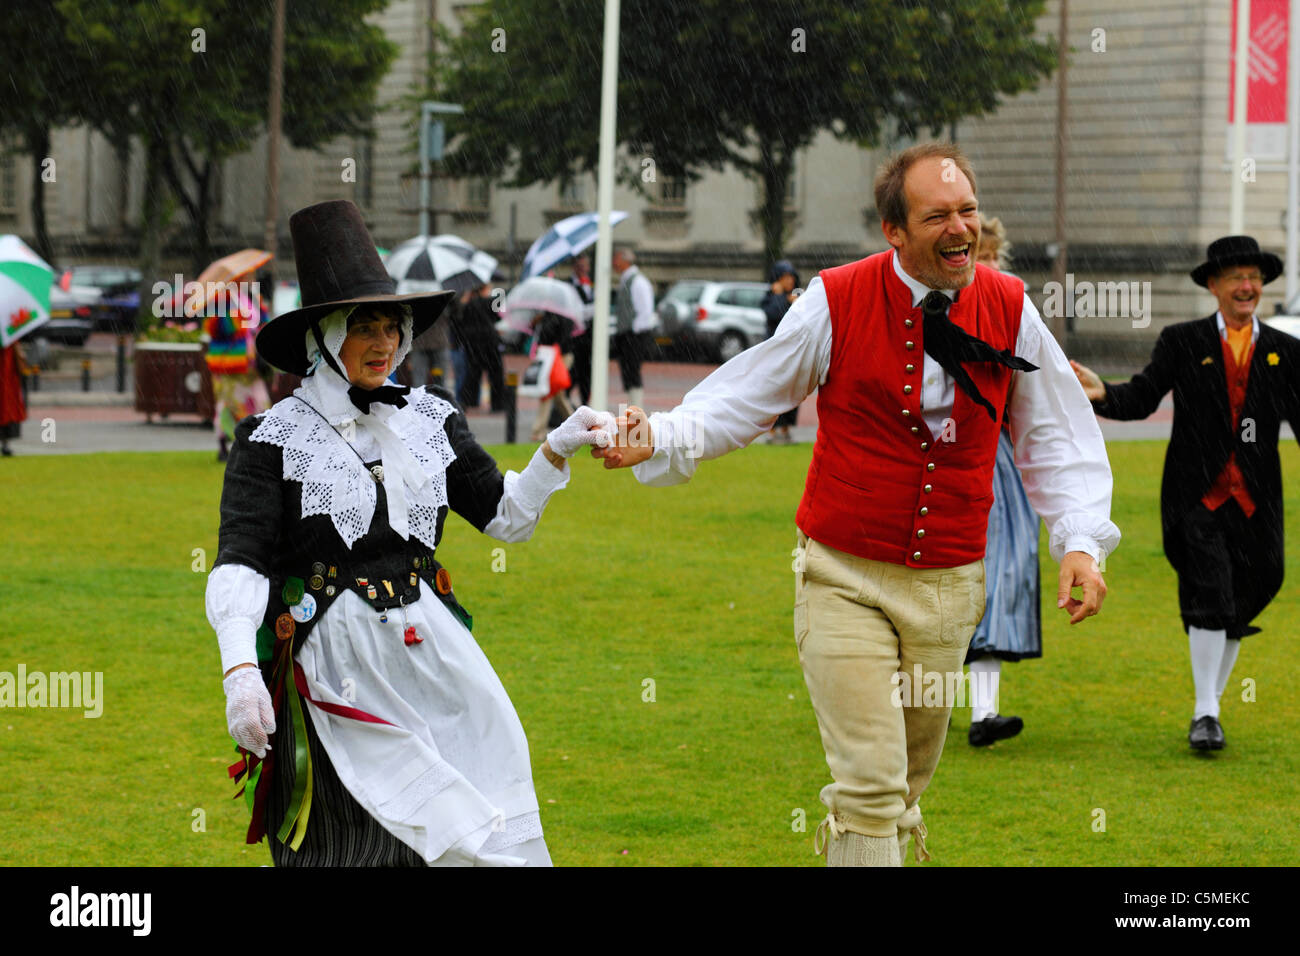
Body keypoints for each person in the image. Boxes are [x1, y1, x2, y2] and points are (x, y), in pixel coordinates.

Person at [595, 143, 1119, 866]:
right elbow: (747, 398)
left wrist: (1081, 543)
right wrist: (658, 435)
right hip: (843, 576)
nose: (960, 227)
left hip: (949, 587)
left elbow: (1057, 434)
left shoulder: (1009, 306)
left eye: (966, 209)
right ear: (893, 231)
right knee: (871, 788)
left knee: (903, 788)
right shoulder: (834, 300)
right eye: (937, 215)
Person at [205, 200, 612, 866]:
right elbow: (240, 563)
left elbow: (505, 517)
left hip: (434, 656)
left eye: (391, 325)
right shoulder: (270, 438)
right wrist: (240, 672)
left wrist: (556, 450)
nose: (384, 343)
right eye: (362, 326)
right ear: (323, 339)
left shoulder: (430, 419)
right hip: (335, 670)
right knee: (355, 843)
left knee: (482, 812)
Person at [1071, 235, 1300, 752]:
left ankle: (1210, 706)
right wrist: (1103, 393)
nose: (1247, 286)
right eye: (1236, 277)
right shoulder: (1182, 341)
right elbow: (1142, 395)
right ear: (1214, 286)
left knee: (1252, 586)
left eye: (1254, 277)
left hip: (1258, 501)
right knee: (1211, 592)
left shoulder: (1287, 353)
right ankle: (1207, 712)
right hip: (1196, 498)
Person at [964, 214, 1041, 746]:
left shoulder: (1015, 310)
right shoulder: (939, 310)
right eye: (979, 256)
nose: (988, 265)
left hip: (1005, 462)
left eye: (993, 256)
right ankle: (907, 705)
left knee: (1005, 572)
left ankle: (983, 712)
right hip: (955, 458)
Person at [203, 284, 271, 462]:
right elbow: (216, 328)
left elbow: (263, 321)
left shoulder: (253, 297)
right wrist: (236, 320)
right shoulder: (220, 300)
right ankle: (224, 445)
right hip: (228, 362)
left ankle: (257, 443)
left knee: (259, 401)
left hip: (251, 362)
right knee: (229, 403)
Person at [761, 260, 801, 444]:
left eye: (791, 277)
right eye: (785, 277)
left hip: (793, 349)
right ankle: (772, 430)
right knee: (774, 391)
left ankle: (786, 428)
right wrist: (780, 297)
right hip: (775, 351)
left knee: (793, 390)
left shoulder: (798, 295)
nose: (789, 281)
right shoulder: (772, 296)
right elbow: (772, 314)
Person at [612, 247, 656, 409]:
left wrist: (631, 332)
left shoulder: (637, 281)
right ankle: (633, 407)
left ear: (625, 260)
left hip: (634, 335)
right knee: (628, 373)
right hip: (628, 334)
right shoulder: (627, 280)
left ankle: (636, 409)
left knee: (632, 371)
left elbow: (645, 311)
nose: (613, 263)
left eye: (616, 258)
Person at [451, 280, 505, 411]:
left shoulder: (468, 304)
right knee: (495, 374)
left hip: (473, 343)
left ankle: (470, 401)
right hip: (490, 342)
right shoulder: (490, 302)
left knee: (472, 373)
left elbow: (459, 321)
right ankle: (497, 404)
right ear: (484, 289)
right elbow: (498, 316)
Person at [567, 254, 595, 406]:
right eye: (581, 266)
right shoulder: (569, 285)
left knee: (587, 372)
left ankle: (585, 402)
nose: (585, 269)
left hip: (589, 336)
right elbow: (573, 309)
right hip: (575, 336)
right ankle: (565, 400)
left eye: (586, 266)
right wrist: (589, 310)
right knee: (573, 371)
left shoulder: (591, 284)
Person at [0, 338, 26, 457]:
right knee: (7, 408)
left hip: (8, 378)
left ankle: (6, 443)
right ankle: (6, 443)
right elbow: (20, 358)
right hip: (8, 380)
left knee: (6, 408)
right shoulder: (9, 335)